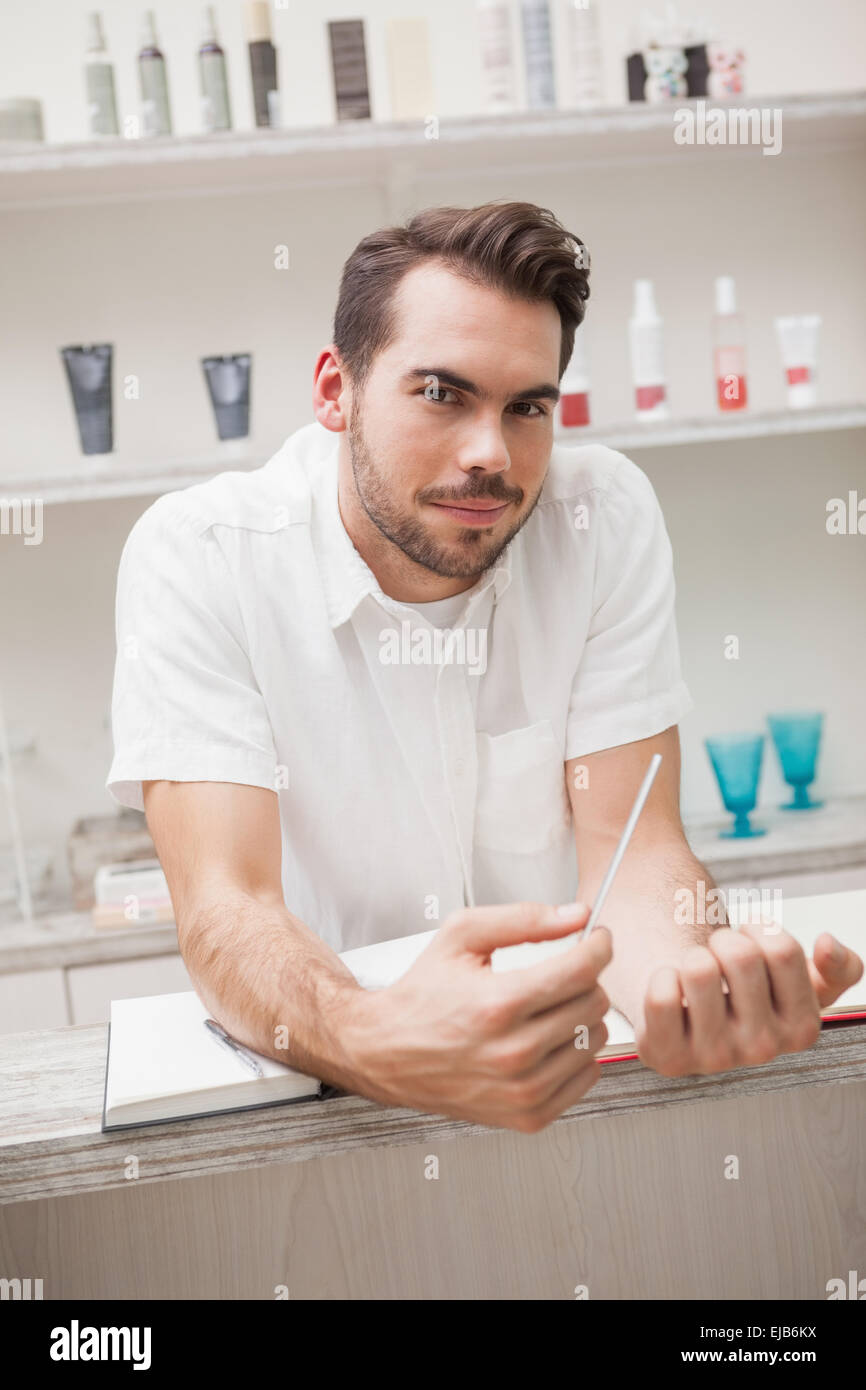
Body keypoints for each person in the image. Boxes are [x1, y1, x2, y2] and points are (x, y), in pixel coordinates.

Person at [107, 201, 861, 1133]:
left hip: (577, 1090)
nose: (490, 456)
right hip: (334, 1111)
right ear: (335, 391)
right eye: (441, 393)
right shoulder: (202, 552)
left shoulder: (602, 516)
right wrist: (380, 1039)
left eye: (528, 407)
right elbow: (226, 906)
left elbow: (633, 849)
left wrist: (677, 989)